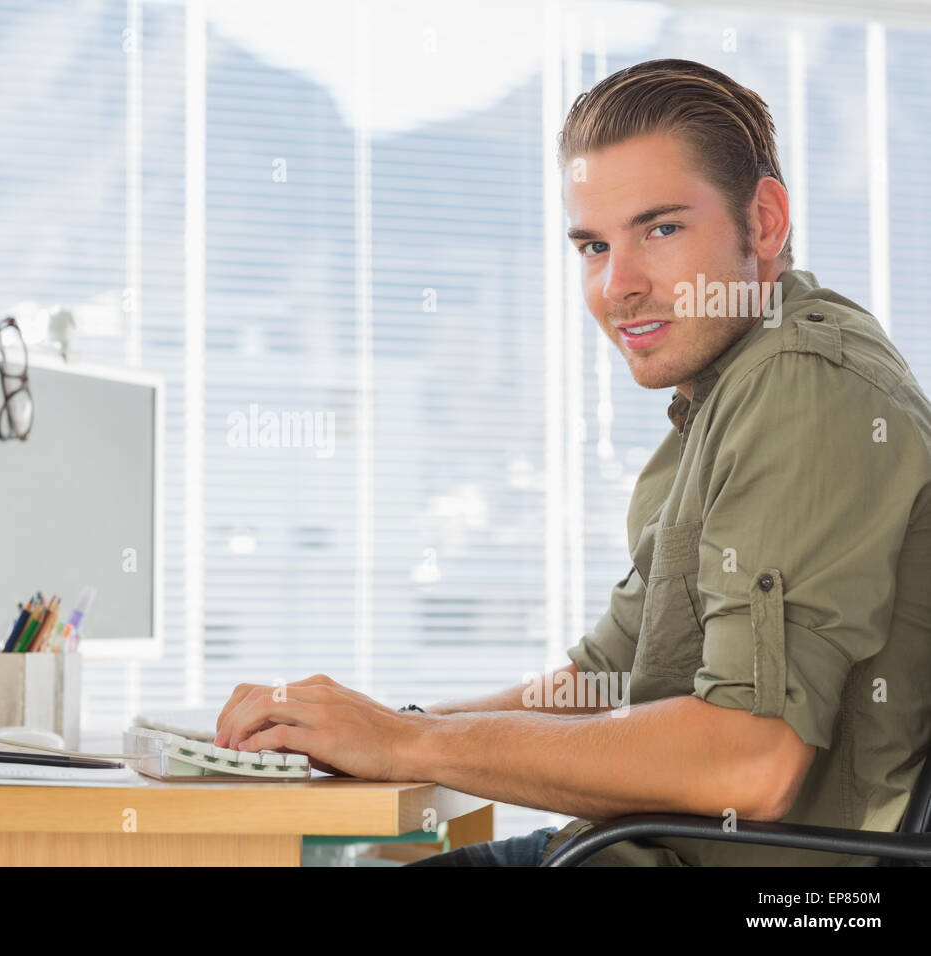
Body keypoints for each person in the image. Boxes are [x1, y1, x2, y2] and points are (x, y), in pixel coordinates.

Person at [212, 58, 931, 866]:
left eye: (661, 228)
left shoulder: (804, 387)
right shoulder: (725, 397)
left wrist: (407, 742)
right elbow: (604, 681)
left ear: (762, 222)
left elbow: (749, 760)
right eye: (593, 245)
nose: (617, 285)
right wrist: (383, 726)